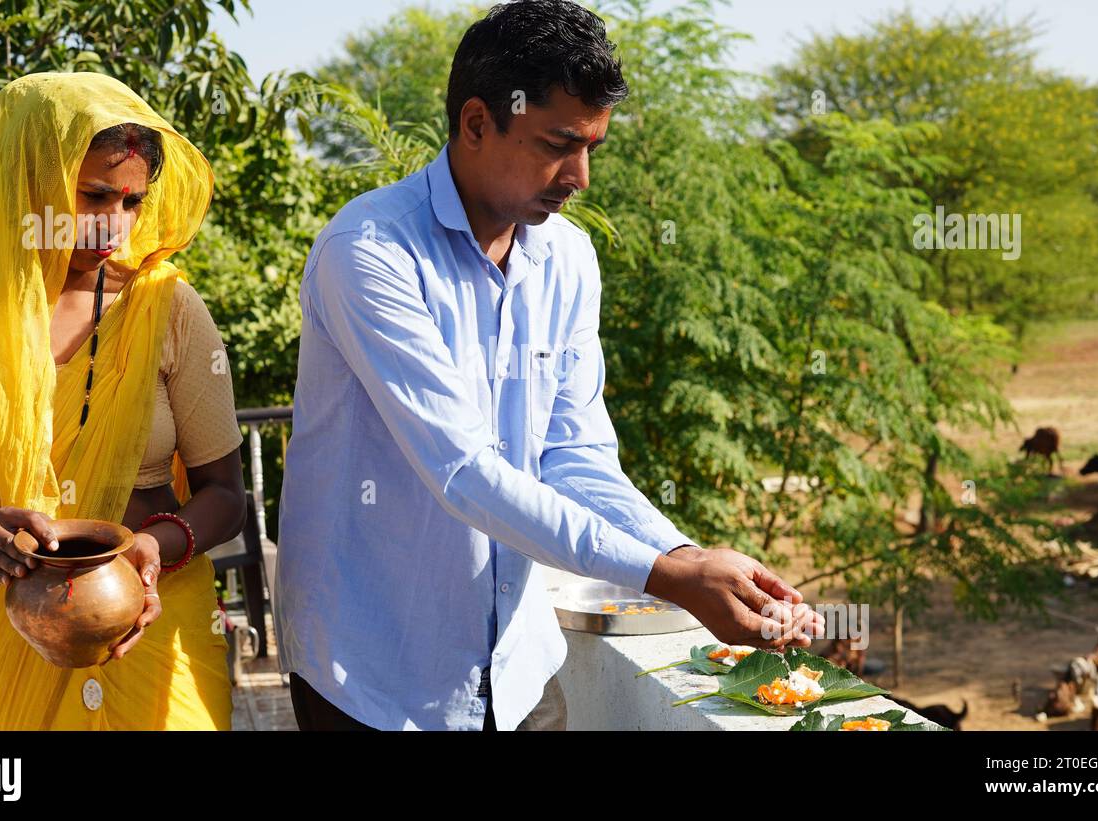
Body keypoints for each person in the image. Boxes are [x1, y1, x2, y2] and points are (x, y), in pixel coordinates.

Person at [276, 0, 823, 731]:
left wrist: (687, 556)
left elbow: (576, 455)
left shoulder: (567, 258)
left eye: (593, 146)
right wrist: (670, 578)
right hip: (376, 676)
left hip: (517, 668)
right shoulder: (370, 253)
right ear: (477, 123)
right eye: (559, 144)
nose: (582, 176)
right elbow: (464, 471)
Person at [0, 72, 246, 730]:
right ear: (33, 185)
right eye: (94, 195)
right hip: (7, 647)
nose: (115, 225)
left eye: (132, 201)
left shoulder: (168, 310)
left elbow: (225, 494)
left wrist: (154, 547)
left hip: (156, 638)